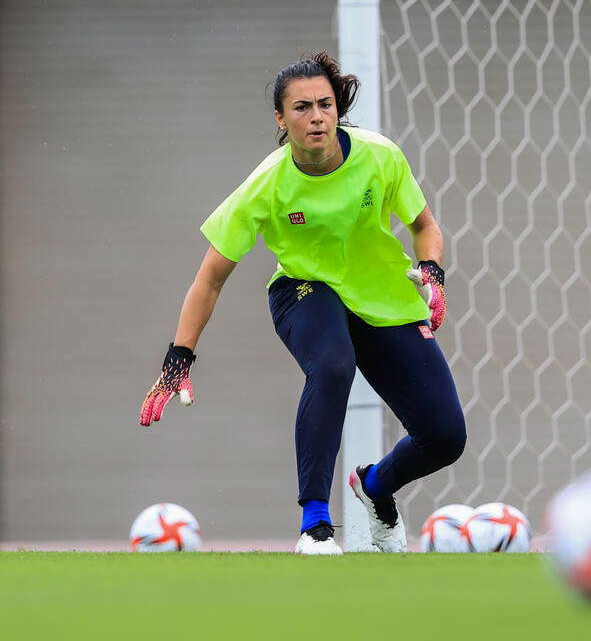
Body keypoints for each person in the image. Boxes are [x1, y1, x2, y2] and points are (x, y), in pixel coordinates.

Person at [137, 52, 467, 555]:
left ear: (338, 109)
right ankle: (315, 523)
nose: (316, 116)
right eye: (302, 108)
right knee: (333, 364)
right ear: (281, 119)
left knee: (445, 437)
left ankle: (375, 487)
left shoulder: (380, 157)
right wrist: (178, 358)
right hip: (304, 292)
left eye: (325, 104)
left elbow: (425, 227)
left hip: (382, 300)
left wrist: (433, 272)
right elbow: (209, 278)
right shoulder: (265, 186)